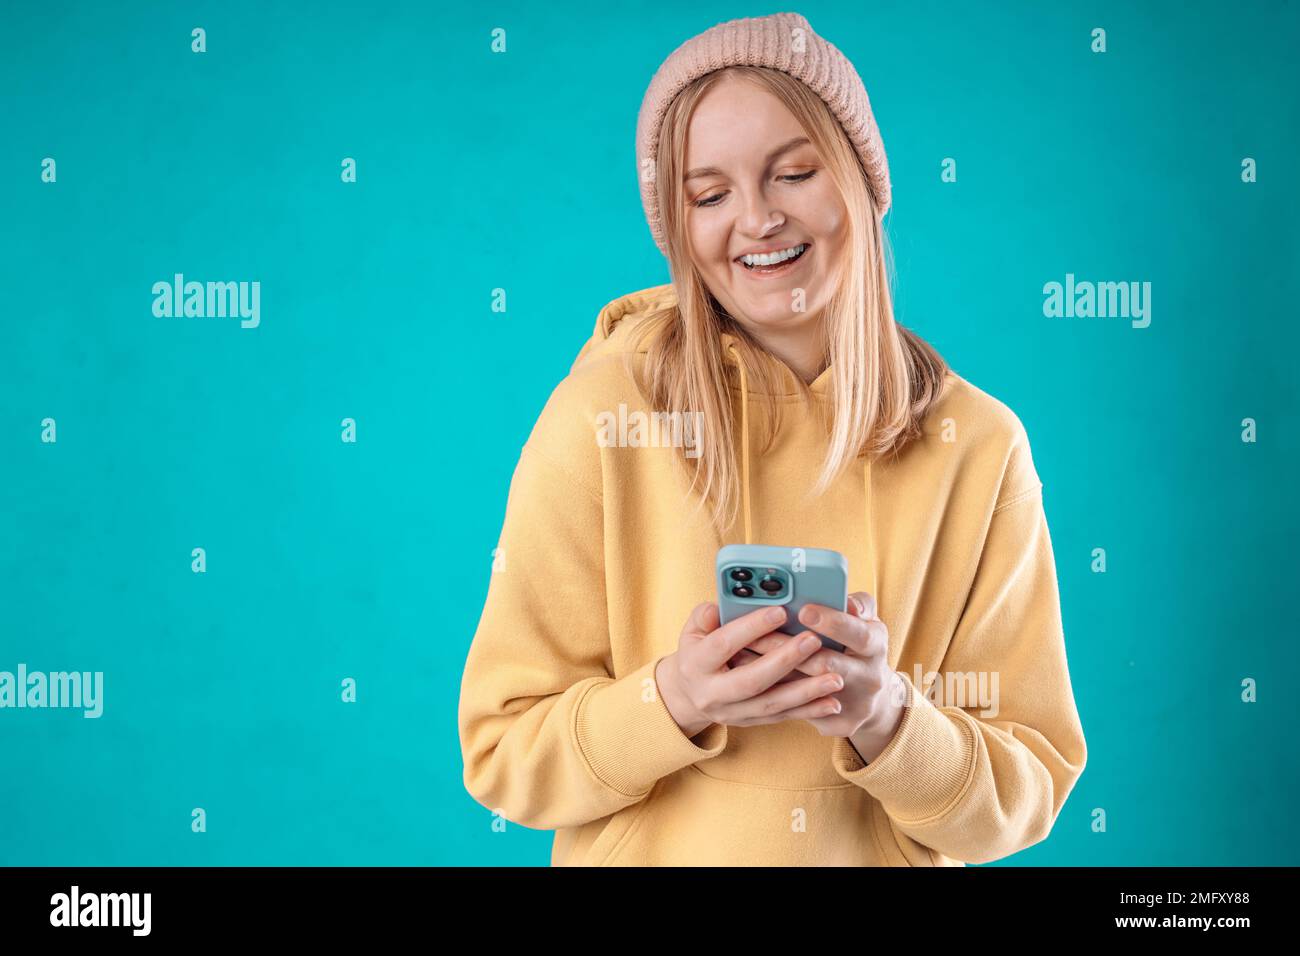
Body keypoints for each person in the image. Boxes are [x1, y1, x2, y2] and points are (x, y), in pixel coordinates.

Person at [457, 11, 1087, 866]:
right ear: (679, 230)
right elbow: (501, 755)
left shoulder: (977, 447)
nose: (755, 220)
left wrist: (886, 720)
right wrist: (672, 700)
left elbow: (1024, 794)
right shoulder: (602, 415)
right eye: (709, 195)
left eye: (792, 173)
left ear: (860, 182)